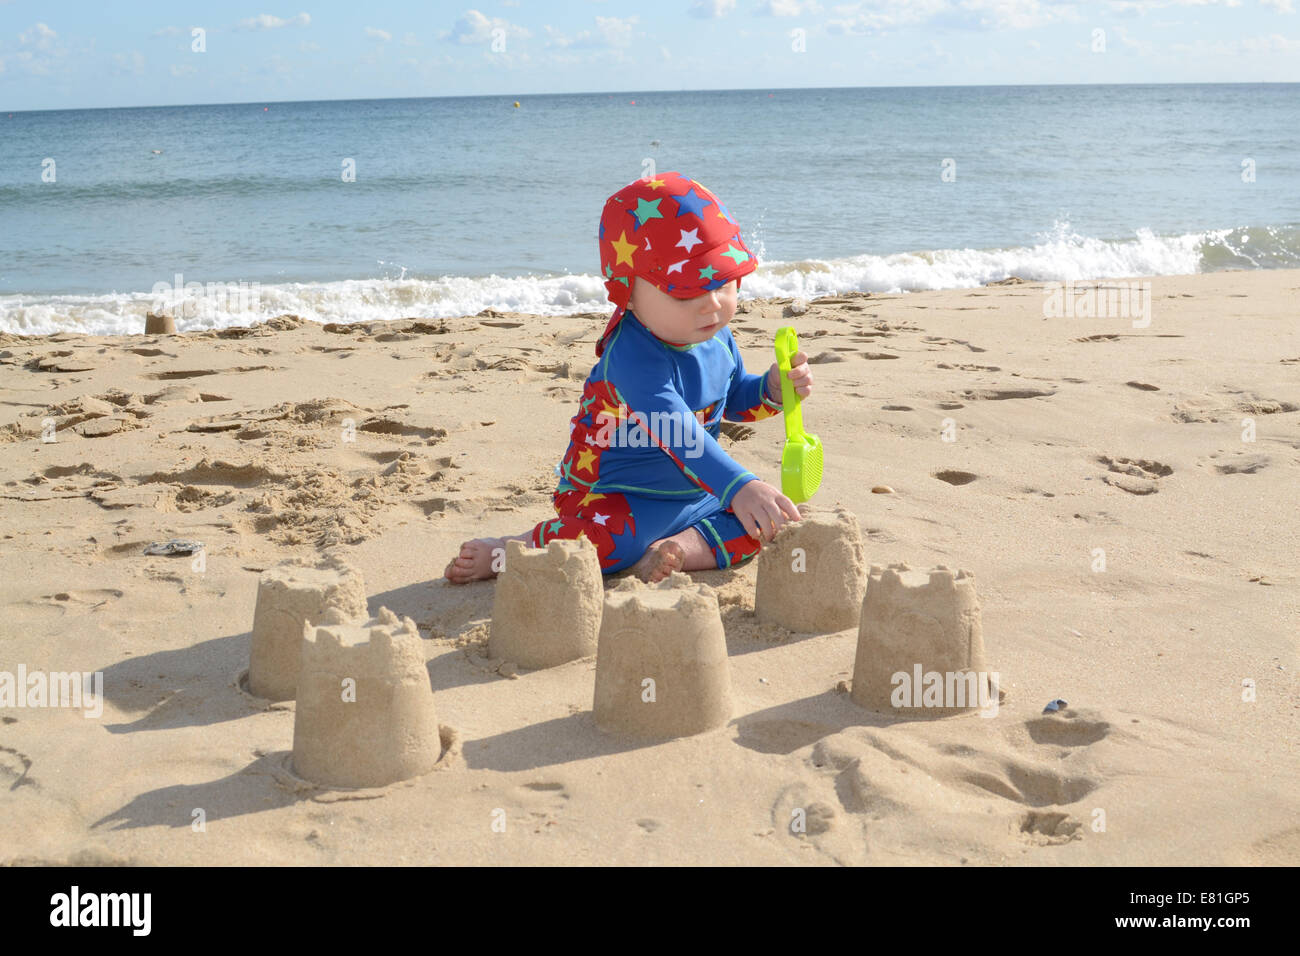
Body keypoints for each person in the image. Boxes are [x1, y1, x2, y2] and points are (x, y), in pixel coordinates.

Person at [444, 170, 814, 585]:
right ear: (629, 293)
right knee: (604, 546)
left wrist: (770, 391)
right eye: (685, 292)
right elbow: (677, 432)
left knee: (762, 523)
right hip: (613, 498)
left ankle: (677, 550)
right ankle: (514, 549)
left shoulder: (716, 336)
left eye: (722, 283)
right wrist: (741, 485)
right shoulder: (632, 357)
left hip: (696, 493)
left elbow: (731, 399)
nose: (712, 305)